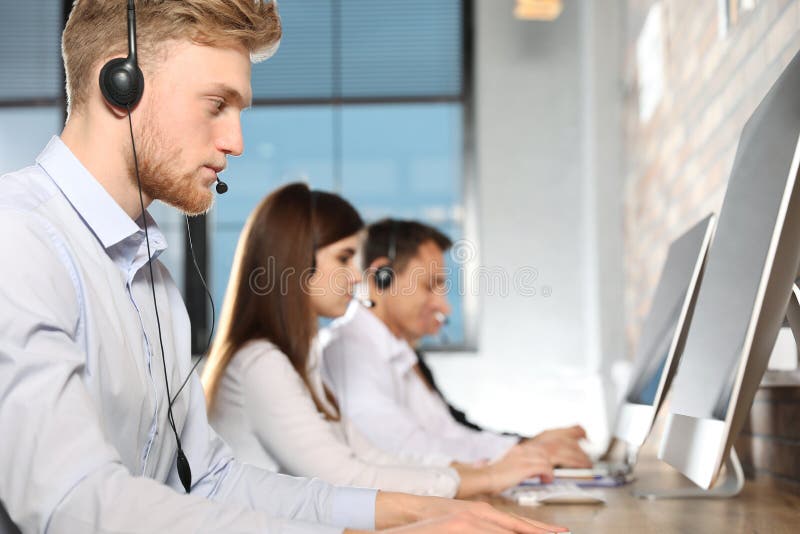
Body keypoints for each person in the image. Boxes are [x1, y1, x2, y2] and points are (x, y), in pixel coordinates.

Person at [0, 2, 568, 533]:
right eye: (216, 104)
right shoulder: (18, 238)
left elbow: (213, 480)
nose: (237, 141)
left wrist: (418, 510)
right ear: (120, 82)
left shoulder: (151, 281)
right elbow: (74, 499)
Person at [201, 183, 557, 501]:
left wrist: (477, 476)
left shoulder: (299, 365)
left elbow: (368, 456)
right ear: (297, 259)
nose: (357, 276)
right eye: (343, 258)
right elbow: (342, 477)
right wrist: (483, 478)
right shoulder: (261, 364)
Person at [323, 219, 593, 469]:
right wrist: (523, 453)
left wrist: (526, 447)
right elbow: (404, 448)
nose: (444, 307)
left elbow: (449, 434)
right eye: (430, 286)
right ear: (382, 275)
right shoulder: (350, 351)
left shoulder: (397, 351)